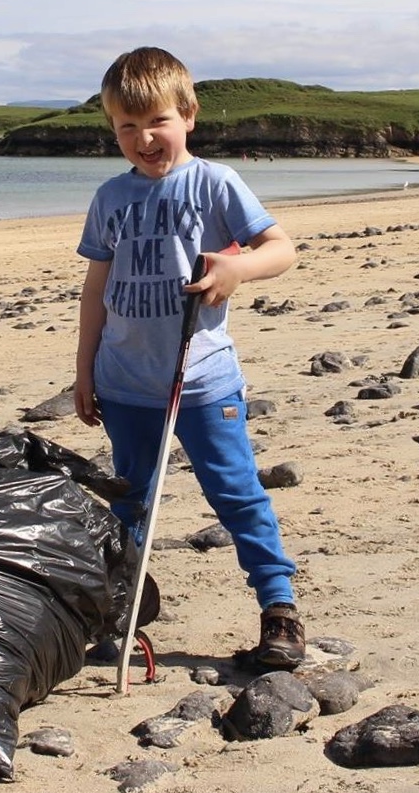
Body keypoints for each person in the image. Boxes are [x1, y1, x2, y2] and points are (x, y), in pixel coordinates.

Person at [74, 47, 305, 668]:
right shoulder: (110, 197)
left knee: (236, 494)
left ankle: (279, 609)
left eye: (158, 121)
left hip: (202, 382)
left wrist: (237, 268)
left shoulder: (214, 183)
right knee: (131, 503)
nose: (144, 138)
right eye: (127, 126)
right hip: (124, 383)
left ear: (189, 116)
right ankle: (123, 615)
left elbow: (281, 248)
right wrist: (84, 370)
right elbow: (96, 290)